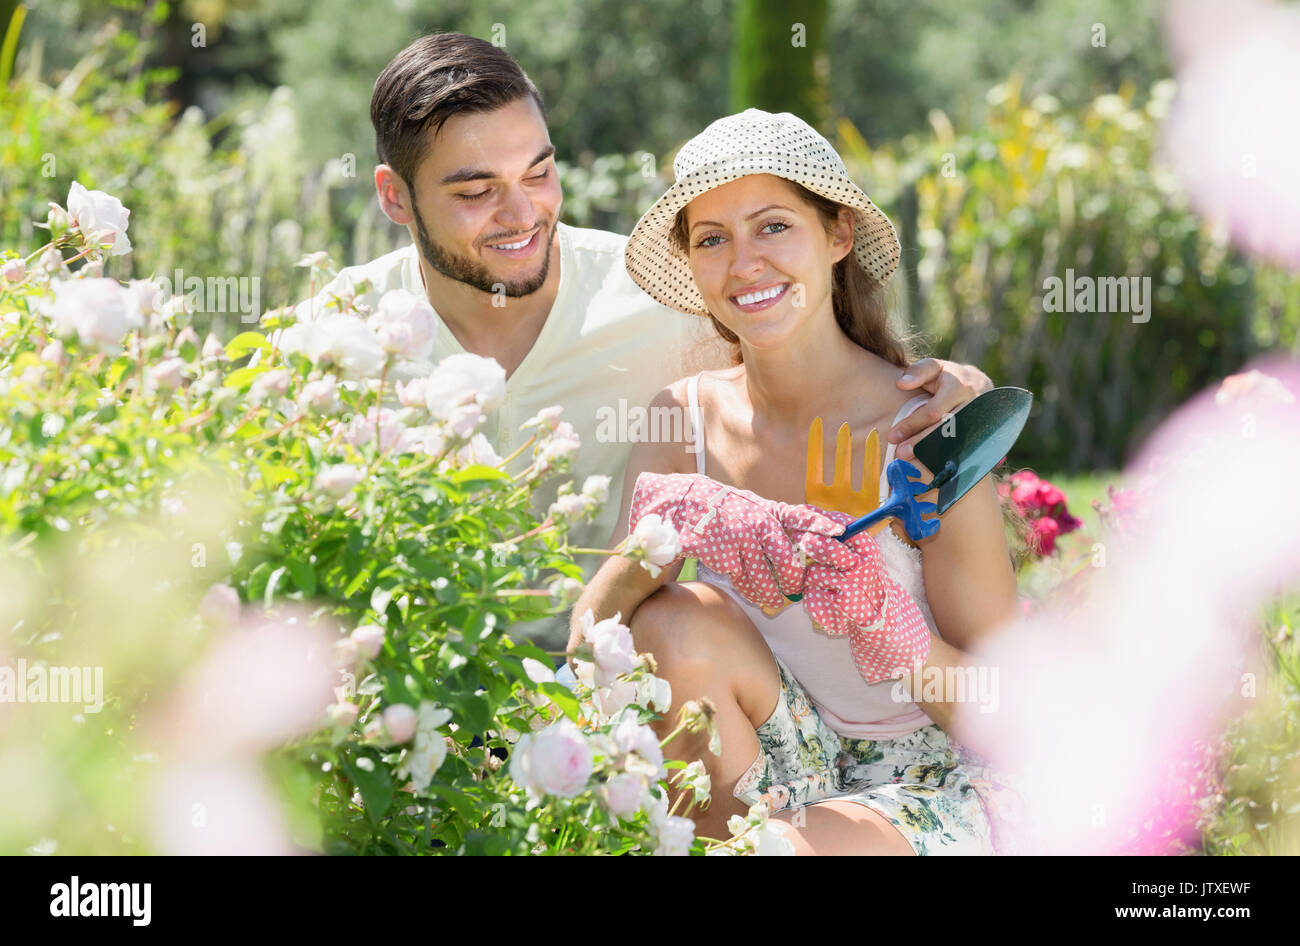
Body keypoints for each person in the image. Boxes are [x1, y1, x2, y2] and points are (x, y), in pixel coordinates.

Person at [295, 32, 994, 650]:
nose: (521, 213)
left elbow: (804, 335)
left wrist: (959, 387)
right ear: (393, 198)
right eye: (476, 192)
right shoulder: (340, 338)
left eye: (538, 173)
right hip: (413, 696)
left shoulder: (665, 304)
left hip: (610, 697)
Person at [569, 109, 1023, 855]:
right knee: (670, 622)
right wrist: (661, 537)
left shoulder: (926, 429)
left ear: (837, 236)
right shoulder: (681, 422)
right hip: (771, 765)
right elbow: (594, 644)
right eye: (712, 239)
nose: (744, 262)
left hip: (933, 780)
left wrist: (891, 629)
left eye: (773, 226)